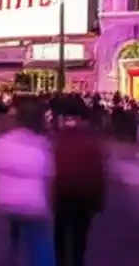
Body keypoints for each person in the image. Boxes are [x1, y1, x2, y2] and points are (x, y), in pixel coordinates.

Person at [0, 98, 53, 266]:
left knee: (9, 242)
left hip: (5, 201)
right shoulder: (42, 145)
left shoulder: (1, 143)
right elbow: (49, 172)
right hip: (33, 204)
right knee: (40, 244)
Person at [52, 103, 106, 266]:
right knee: (79, 239)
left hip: (62, 192)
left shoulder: (57, 139)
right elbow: (98, 172)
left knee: (59, 235)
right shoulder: (91, 141)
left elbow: (50, 168)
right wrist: (98, 201)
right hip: (84, 195)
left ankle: (60, 261)